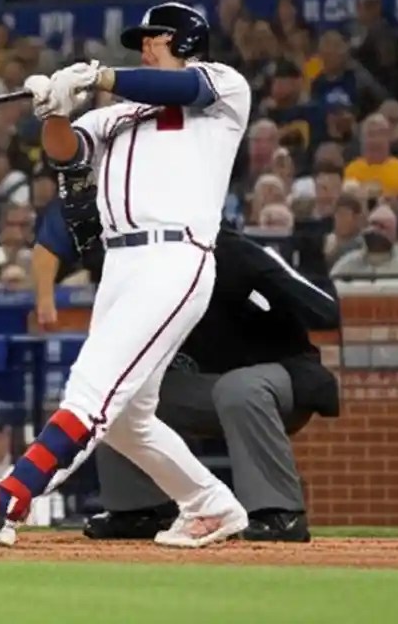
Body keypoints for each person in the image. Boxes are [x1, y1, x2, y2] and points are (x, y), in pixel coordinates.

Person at [0, 2, 252, 548]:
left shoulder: (223, 88)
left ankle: (10, 498)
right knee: (131, 420)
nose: (145, 47)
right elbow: (67, 156)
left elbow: (184, 90)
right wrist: (55, 110)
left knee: (91, 390)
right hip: (121, 262)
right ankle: (212, 504)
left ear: (185, 41)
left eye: (155, 38)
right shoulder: (114, 114)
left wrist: (99, 76)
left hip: (175, 255)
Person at [33, 170, 340, 542]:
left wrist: (263, 289)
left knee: (239, 388)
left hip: (276, 380)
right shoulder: (135, 258)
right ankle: (139, 510)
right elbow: (62, 228)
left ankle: (279, 514)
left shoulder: (229, 249)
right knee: (116, 392)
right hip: (203, 385)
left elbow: (326, 310)